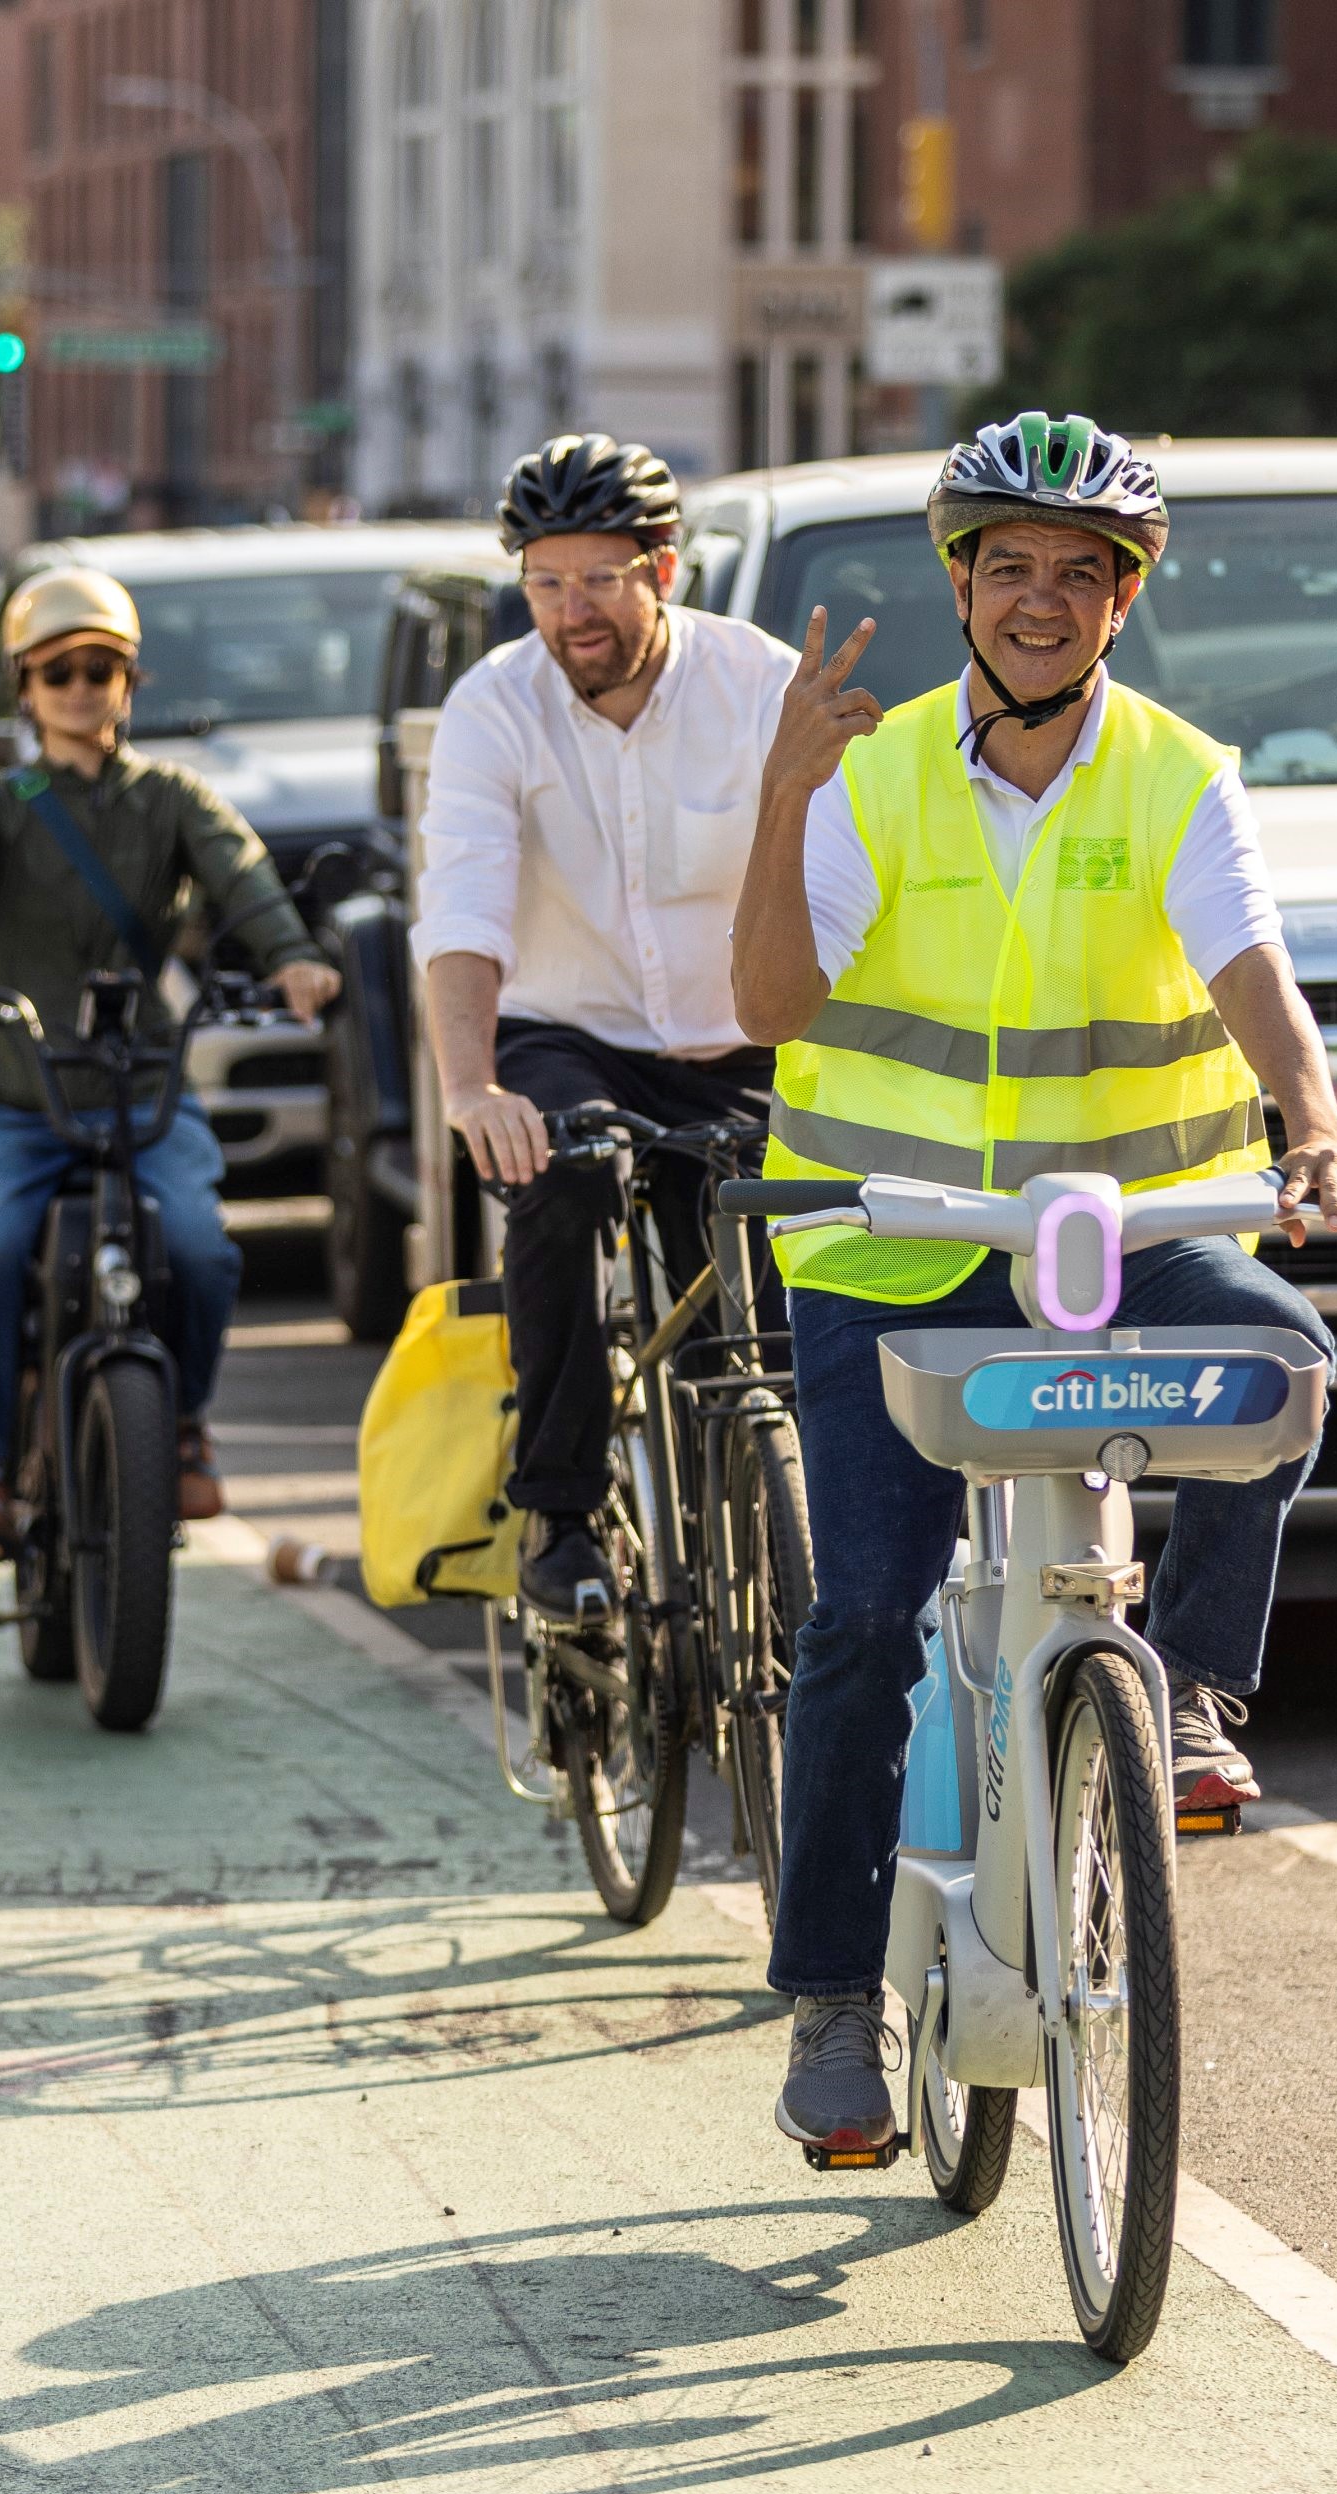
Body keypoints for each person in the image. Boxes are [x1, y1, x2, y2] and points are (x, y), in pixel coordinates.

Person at [726, 413, 1337, 2159]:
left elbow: (1257, 969)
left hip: (1127, 1230)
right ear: (961, 587)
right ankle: (832, 2004)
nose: (1039, 599)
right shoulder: (872, 772)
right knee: (866, 1608)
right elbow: (773, 1008)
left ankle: (1181, 1692)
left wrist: (1315, 1124)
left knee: (1288, 1355)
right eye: (1006, 567)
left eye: (1075, 575)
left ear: (1121, 602)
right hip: (891, 1247)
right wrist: (784, 790)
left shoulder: (1179, 773)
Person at [409, 434, 802, 1622]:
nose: (570, 612)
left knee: (753, 1293)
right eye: (545, 582)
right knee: (562, 1180)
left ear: (664, 570)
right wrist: (473, 1087)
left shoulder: (761, 685)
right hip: (563, 1030)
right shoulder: (494, 705)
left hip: (740, 1040)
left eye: (597, 580)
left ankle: (778, 1530)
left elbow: (846, 886)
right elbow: (465, 900)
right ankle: (563, 1512)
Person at [0, 568, 339, 1556]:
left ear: (131, 682)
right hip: (12, 1091)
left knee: (205, 1245)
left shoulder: (171, 798)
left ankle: (183, 1427)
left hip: (143, 1087)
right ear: (25, 687)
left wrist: (294, 958)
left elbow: (243, 876)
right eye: (59, 672)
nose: (81, 688)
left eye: (102, 669)